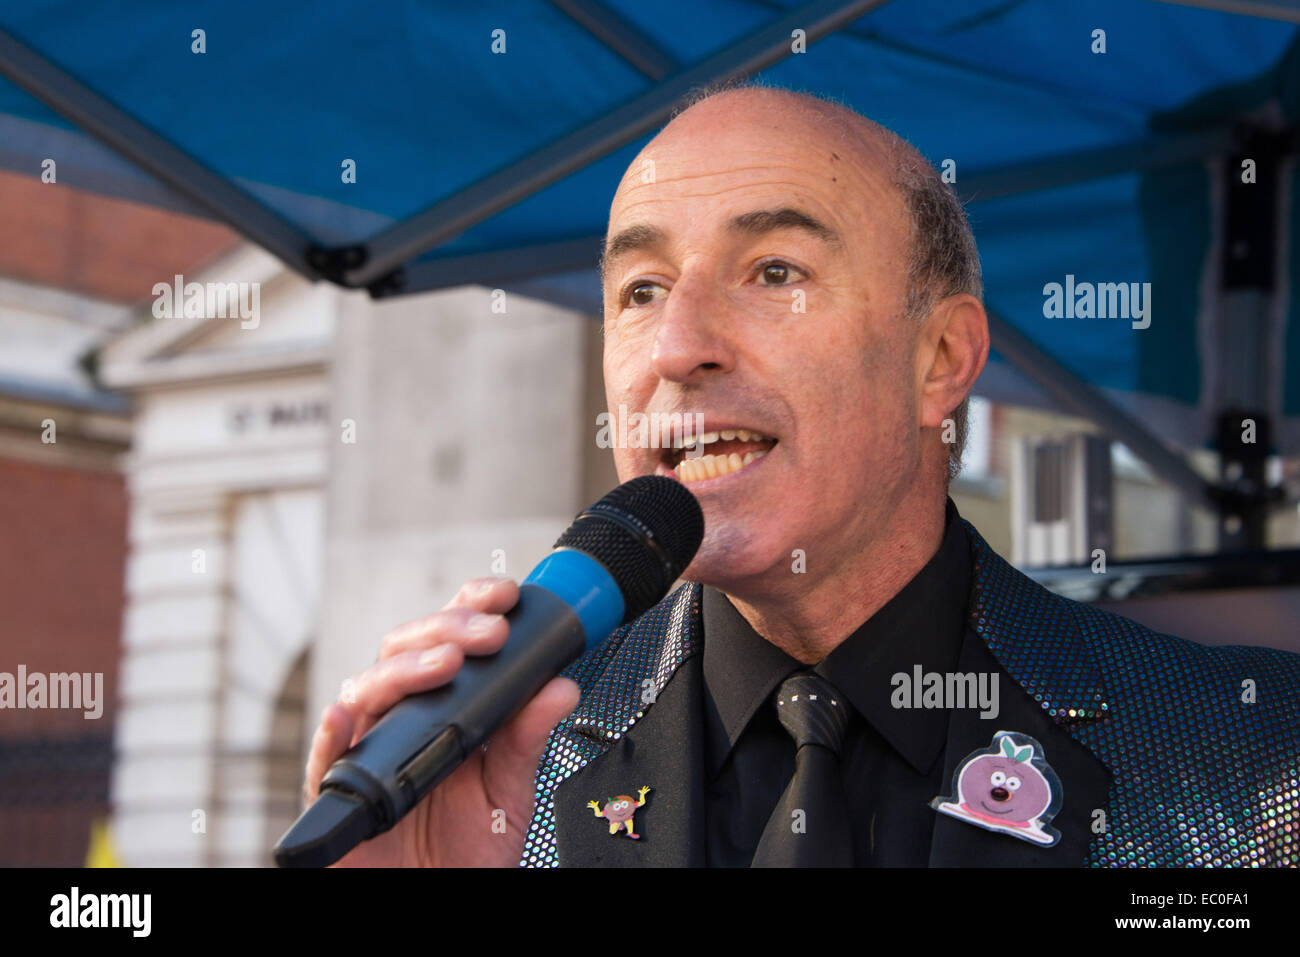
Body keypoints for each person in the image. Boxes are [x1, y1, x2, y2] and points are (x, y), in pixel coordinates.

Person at [302, 82, 1300, 868]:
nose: (678, 344)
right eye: (640, 290)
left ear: (941, 361)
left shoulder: (1258, 760)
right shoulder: (484, 769)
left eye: (775, 271)